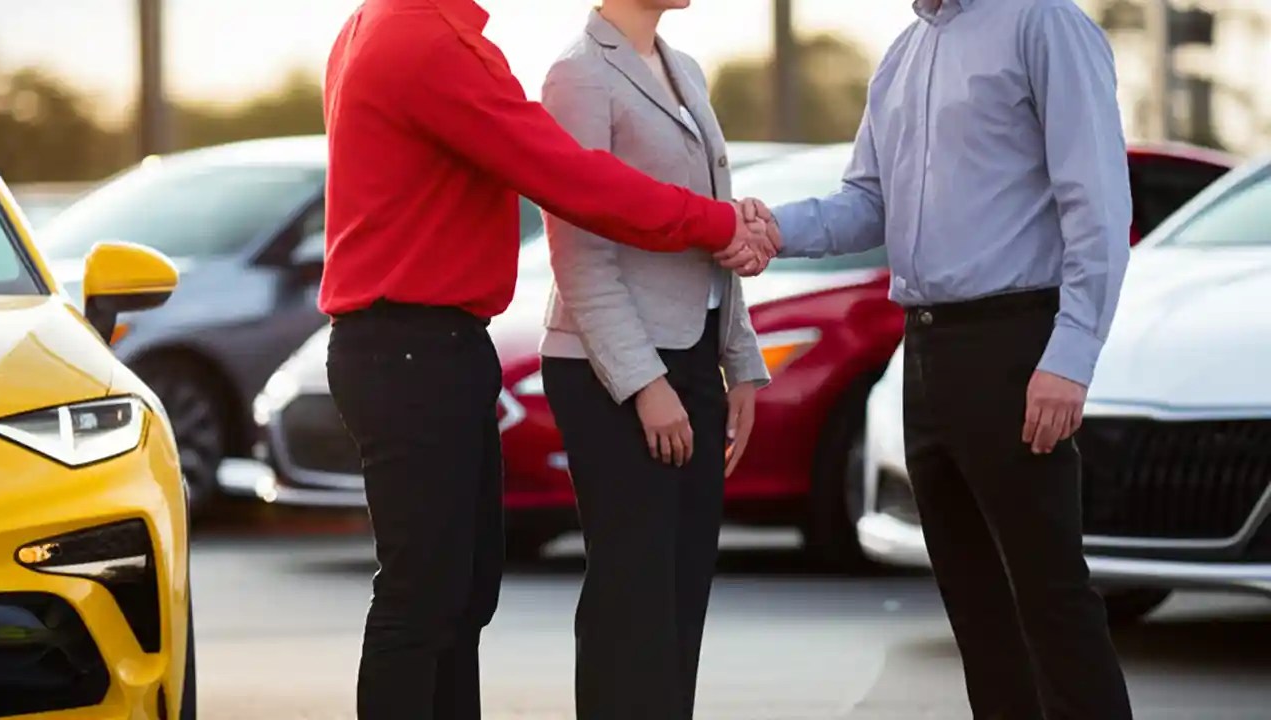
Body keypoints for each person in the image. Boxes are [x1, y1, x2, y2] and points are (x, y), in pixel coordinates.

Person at [319, 1, 776, 718]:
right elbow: (569, 177)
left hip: (428, 346)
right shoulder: (427, 40)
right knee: (425, 600)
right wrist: (716, 222)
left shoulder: (388, 24)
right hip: (411, 350)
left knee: (457, 597)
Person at [744, 0, 1135, 717]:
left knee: (1052, 601)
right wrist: (775, 230)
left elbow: (1099, 205)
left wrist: (1070, 357)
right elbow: (866, 205)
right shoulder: (902, 56)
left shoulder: (1043, 24)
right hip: (923, 350)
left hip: (1015, 345)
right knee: (976, 613)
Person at [538, 3, 770, 719]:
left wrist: (741, 359)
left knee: (679, 592)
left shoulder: (683, 68)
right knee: (632, 597)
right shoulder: (577, 77)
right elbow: (579, 251)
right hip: (611, 367)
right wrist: (644, 384)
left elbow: (713, 228)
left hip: (694, 356)